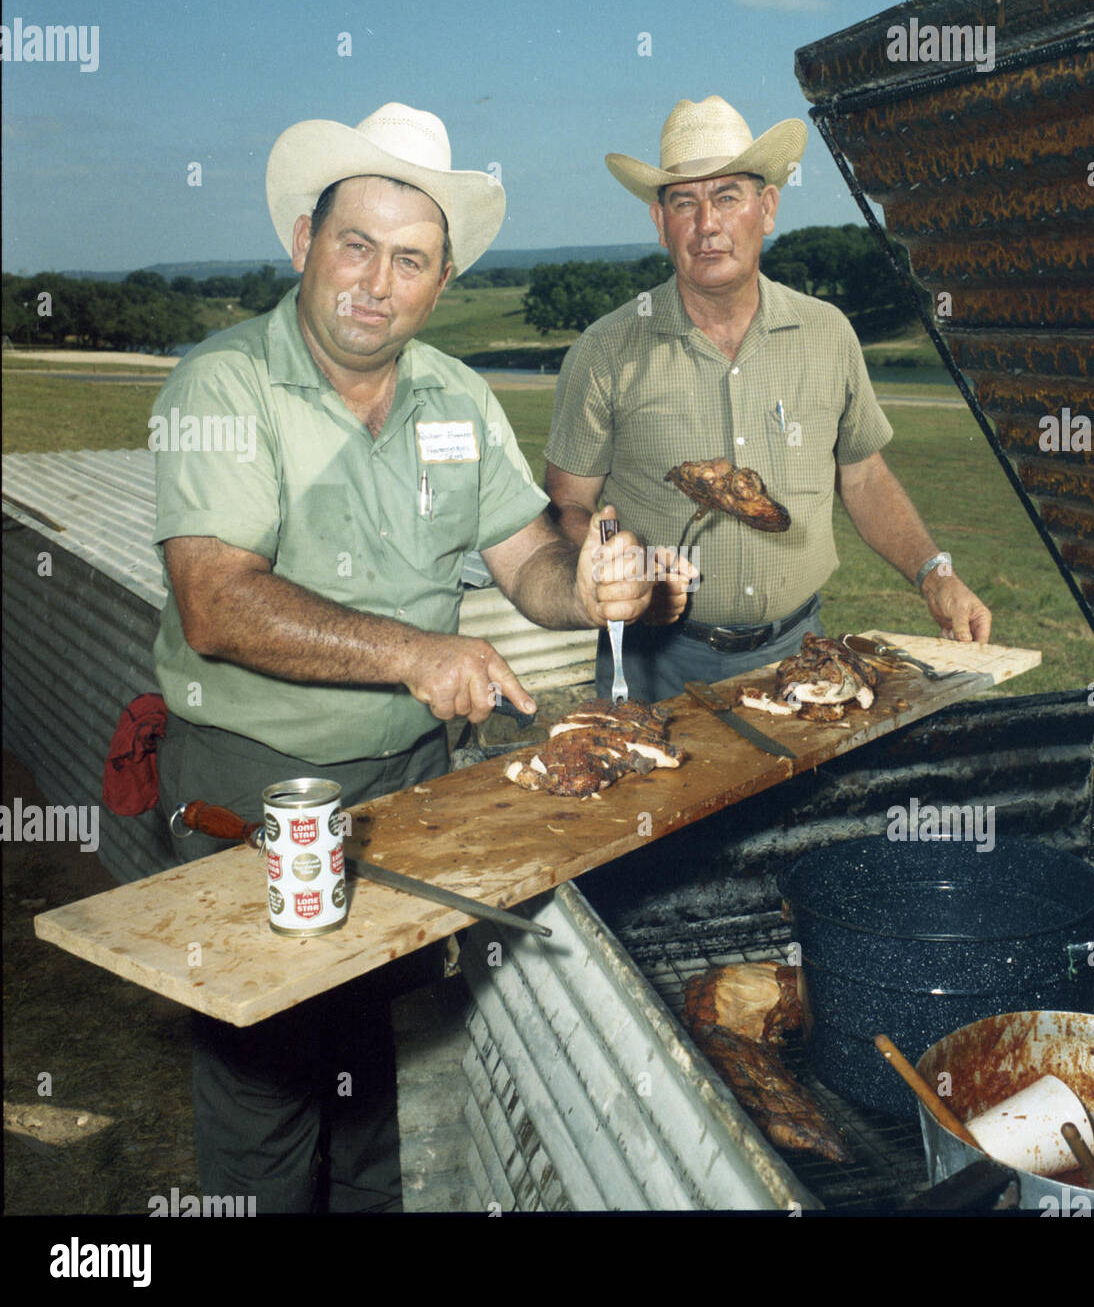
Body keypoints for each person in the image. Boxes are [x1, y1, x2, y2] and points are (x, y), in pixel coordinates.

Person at [150, 102, 681, 1213]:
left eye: (409, 260)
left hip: (412, 789)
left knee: (390, 1072)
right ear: (303, 242)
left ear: (440, 282)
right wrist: (413, 652)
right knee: (266, 1083)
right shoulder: (224, 386)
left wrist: (583, 584)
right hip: (257, 792)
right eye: (355, 245)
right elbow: (216, 602)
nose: (374, 283)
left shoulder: (456, 397)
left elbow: (527, 555)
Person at [544, 95, 991, 703]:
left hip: (802, 655)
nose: (707, 224)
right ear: (659, 221)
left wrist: (935, 574)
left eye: (728, 196)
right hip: (658, 666)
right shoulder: (605, 350)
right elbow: (568, 504)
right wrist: (619, 570)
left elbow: (862, 477)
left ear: (768, 207)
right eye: (685, 201)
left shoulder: (827, 332)